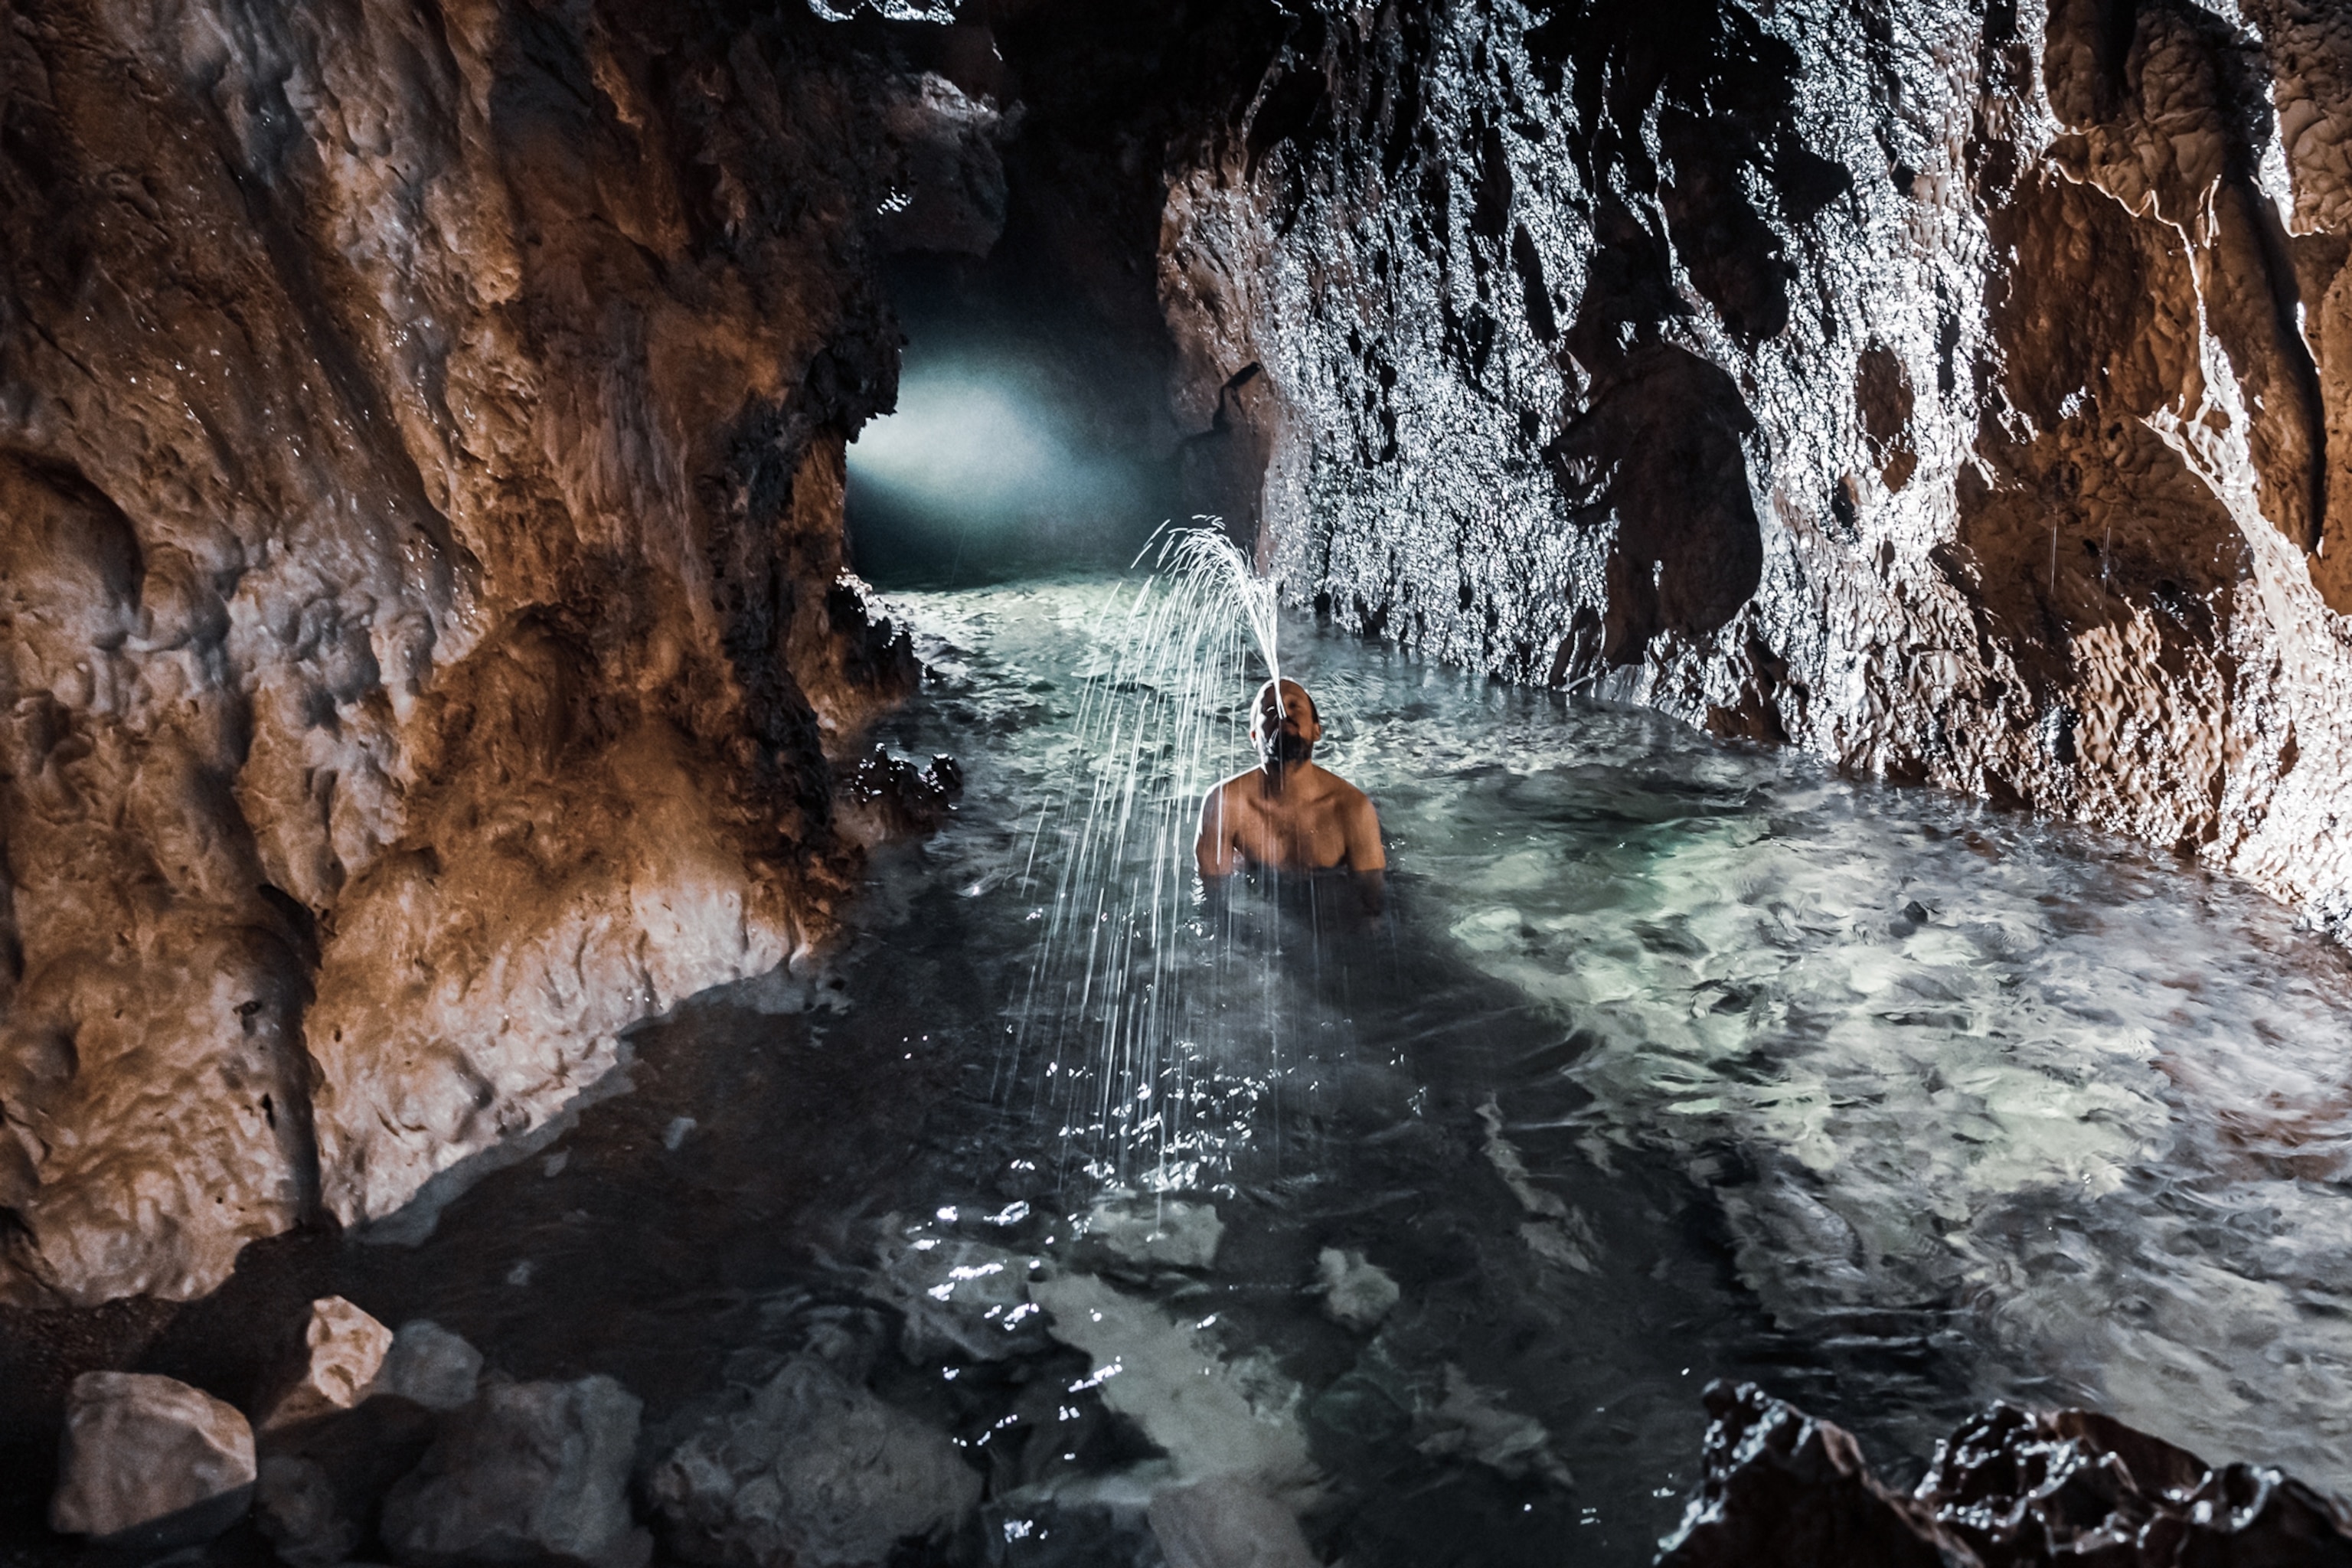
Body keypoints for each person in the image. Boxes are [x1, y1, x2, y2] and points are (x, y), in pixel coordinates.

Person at [1195, 677, 1386, 912]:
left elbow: (1372, 908)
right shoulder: (1225, 803)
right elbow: (1212, 900)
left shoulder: (1353, 809)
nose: (1284, 712)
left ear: (1317, 731)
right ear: (1254, 736)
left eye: (1294, 705)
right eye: (1271, 709)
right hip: (1263, 906)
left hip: (1330, 905)